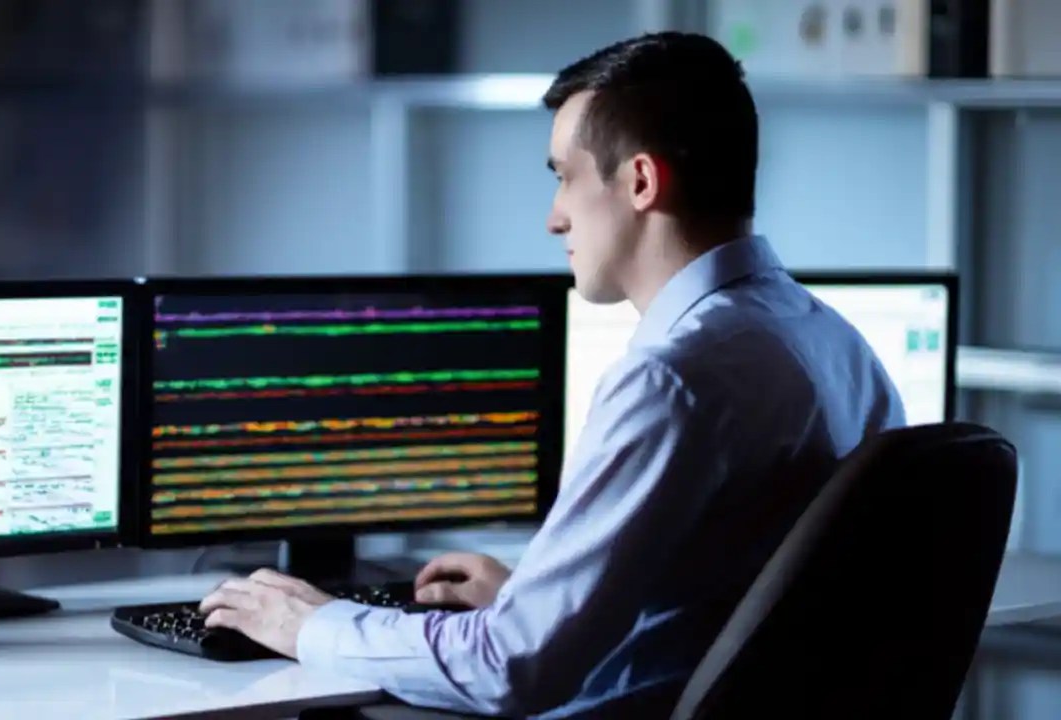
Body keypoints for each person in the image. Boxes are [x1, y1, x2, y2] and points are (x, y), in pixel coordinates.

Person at [198, 31, 905, 718]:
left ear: (639, 182)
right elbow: (733, 610)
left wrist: (312, 626)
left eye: (564, 178)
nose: (554, 219)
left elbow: (511, 670)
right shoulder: (836, 343)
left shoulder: (672, 381)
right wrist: (536, 600)